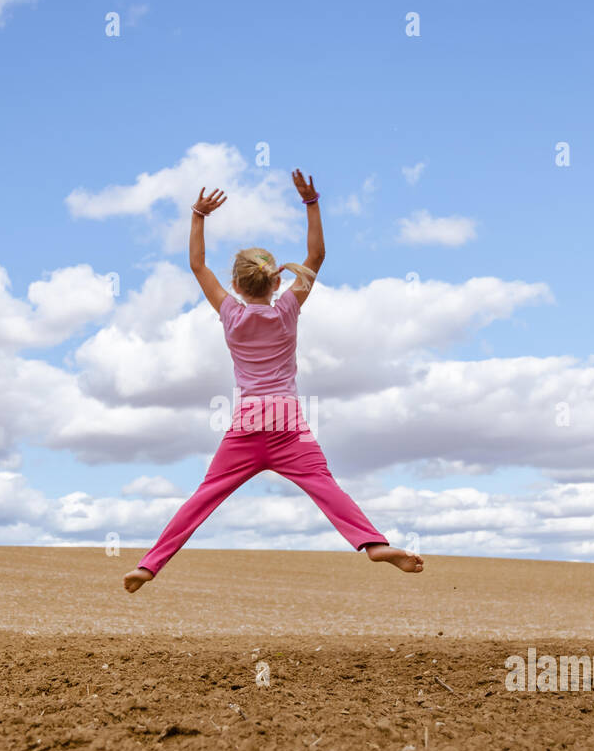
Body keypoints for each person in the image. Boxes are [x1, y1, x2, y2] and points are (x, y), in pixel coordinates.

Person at [123, 169, 424, 592]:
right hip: (288, 422)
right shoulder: (287, 309)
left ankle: (149, 566)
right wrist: (311, 201)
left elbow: (196, 264)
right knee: (323, 484)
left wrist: (198, 214)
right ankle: (372, 543)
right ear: (277, 281)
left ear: (236, 285)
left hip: (247, 422)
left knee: (205, 495)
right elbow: (316, 257)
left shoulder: (231, 313)